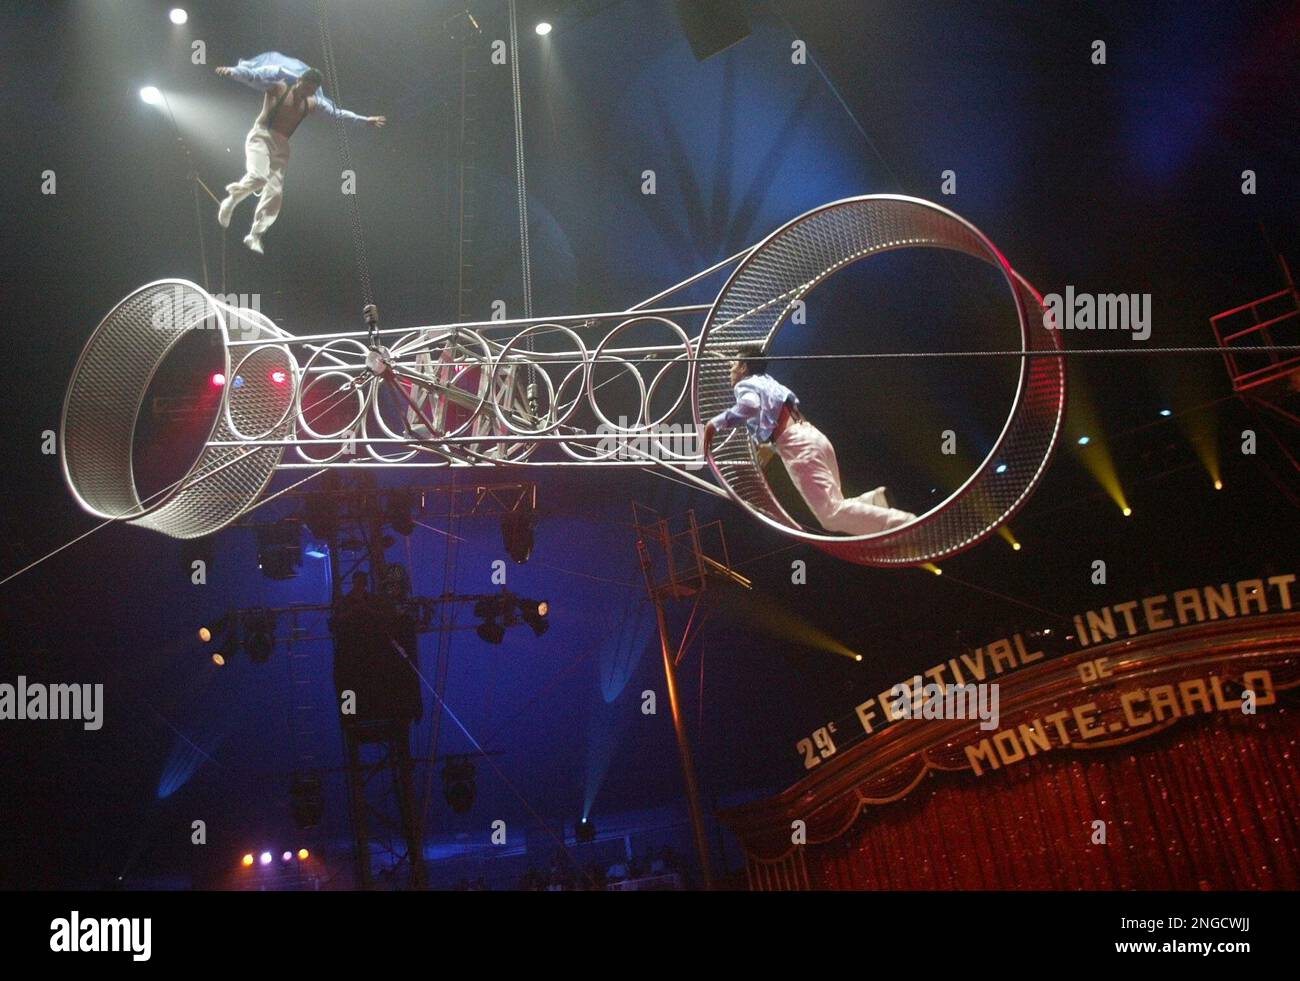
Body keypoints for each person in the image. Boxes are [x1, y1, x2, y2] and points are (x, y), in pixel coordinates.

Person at [703, 355, 916, 535]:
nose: (729, 371)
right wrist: (772, 448)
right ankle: (874, 502)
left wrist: (715, 424)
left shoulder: (745, 384)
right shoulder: (767, 381)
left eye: (732, 365)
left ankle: (904, 525)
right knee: (836, 504)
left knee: (829, 516)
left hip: (797, 445)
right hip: (812, 436)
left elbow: (750, 405)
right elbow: (776, 413)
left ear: (743, 367)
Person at [215, 52, 386, 253]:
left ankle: (255, 234)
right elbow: (254, 77)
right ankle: (232, 200)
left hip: (282, 144)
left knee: (276, 193)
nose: (306, 94)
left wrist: (364, 120)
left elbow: (337, 114)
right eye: (305, 88)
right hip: (261, 135)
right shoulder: (278, 86)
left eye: (311, 91)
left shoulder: (313, 102)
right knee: (258, 177)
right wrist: (233, 72)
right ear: (299, 80)